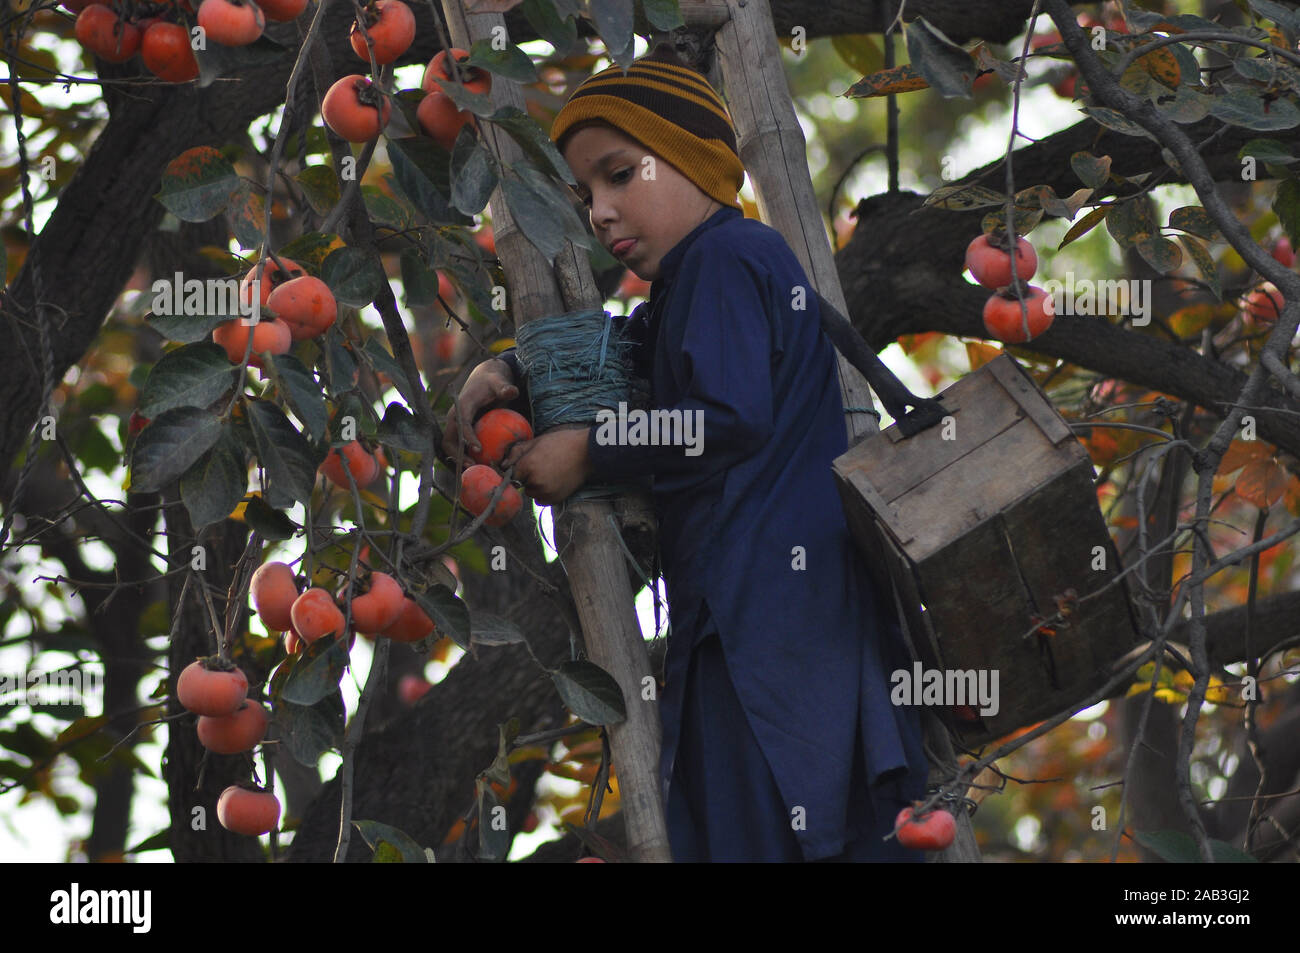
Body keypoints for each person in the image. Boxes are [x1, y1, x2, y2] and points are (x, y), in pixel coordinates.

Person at [443, 42, 929, 862]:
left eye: (621, 174)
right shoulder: (695, 284)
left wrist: (591, 452)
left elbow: (723, 417)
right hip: (752, 624)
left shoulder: (730, 259)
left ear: (697, 161)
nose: (599, 211)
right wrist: (511, 371)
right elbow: (628, 356)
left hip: (770, 631)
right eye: (586, 191)